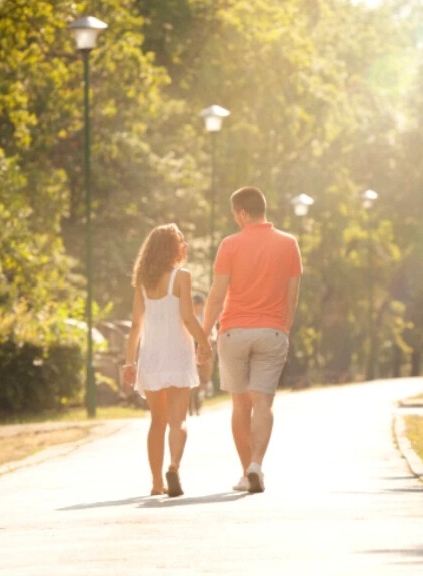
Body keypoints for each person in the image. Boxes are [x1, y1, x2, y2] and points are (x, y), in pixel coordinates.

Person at [203, 186, 301, 493]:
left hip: (233, 331)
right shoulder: (289, 244)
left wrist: (204, 334)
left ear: (243, 213)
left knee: (239, 404)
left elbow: (217, 296)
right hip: (272, 331)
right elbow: (292, 297)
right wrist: (282, 329)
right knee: (263, 402)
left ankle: (246, 474)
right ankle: (258, 464)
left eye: (236, 214)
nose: (235, 220)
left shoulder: (230, 244)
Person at [122, 224, 213, 497]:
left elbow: (136, 326)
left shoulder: (143, 283)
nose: (185, 245)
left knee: (156, 422)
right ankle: (173, 466)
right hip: (177, 356)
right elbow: (187, 318)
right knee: (178, 421)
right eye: (181, 241)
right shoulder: (181, 277)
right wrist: (204, 342)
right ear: (171, 249)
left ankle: (155, 483)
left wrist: (129, 363)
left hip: (151, 359)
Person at [189, 293, 214, 416]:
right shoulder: (188, 315)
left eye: (200, 306)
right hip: (191, 343)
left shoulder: (206, 316)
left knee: (207, 361)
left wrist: (212, 338)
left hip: (203, 342)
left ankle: (207, 381)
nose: (198, 308)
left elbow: (212, 331)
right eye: (195, 305)